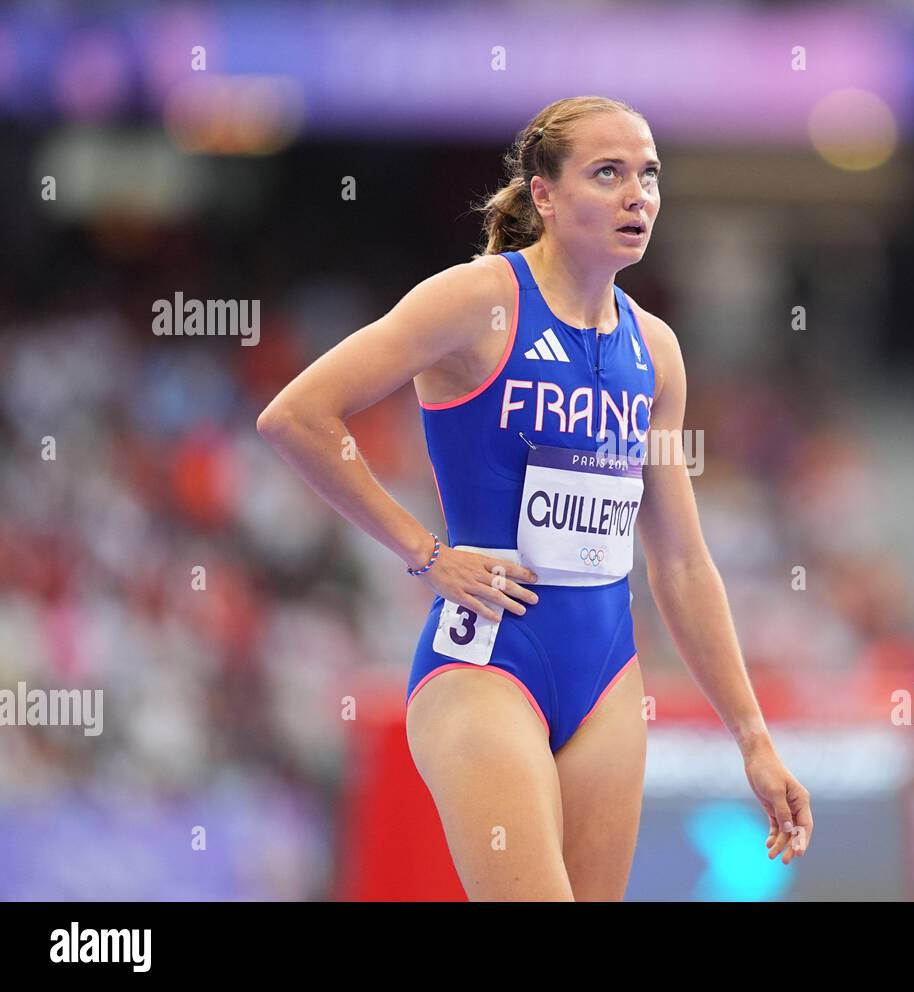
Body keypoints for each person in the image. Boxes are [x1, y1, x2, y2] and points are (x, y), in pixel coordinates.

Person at [257, 95, 811, 900]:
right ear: (544, 194)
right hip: (485, 667)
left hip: (606, 678)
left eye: (649, 175)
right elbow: (297, 417)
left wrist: (754, 739)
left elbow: (684, 564)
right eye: (609, 173)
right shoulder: (477, 301)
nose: (638, 196)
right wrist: (428, 553)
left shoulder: (655, 350)